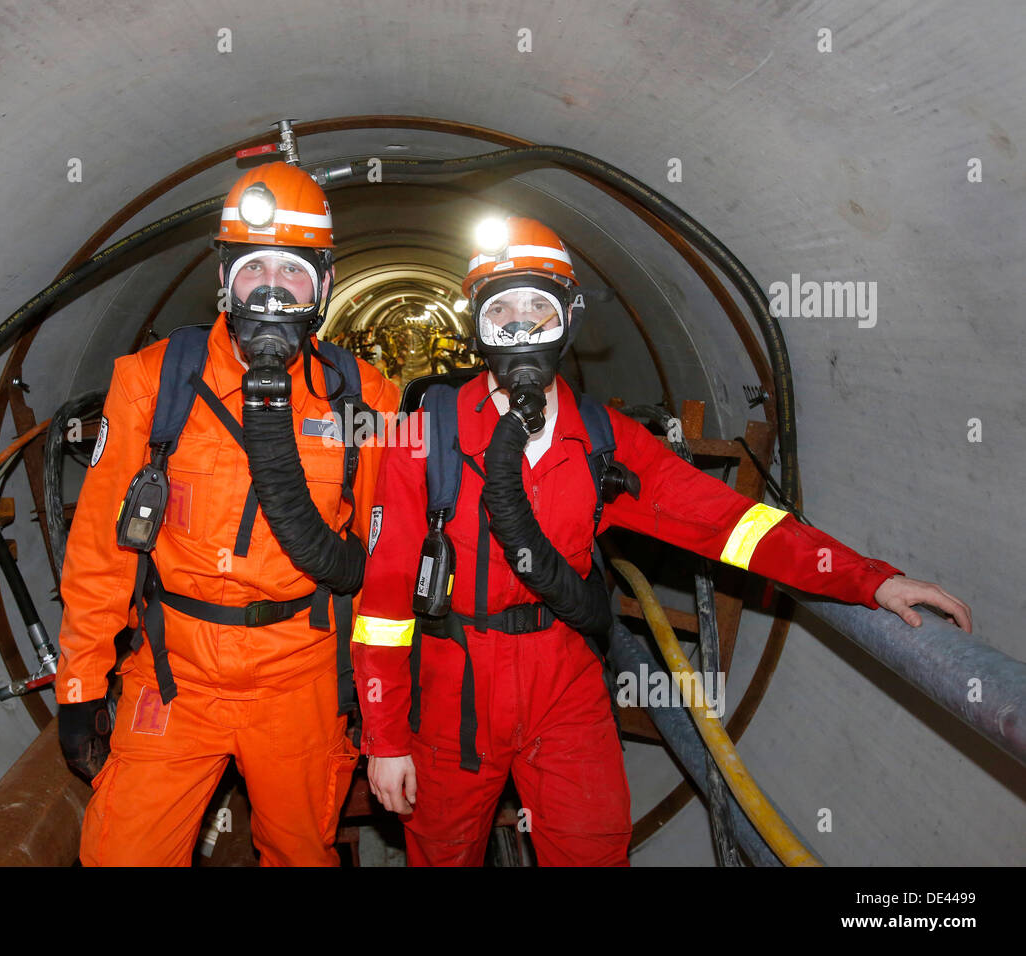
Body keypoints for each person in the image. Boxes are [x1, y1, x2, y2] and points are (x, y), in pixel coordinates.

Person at [351, 216, 972, 866]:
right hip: (455, 686)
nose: (522, 328)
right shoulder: (426, 438)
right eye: (501, 309)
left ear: (570, 319)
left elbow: (730, 523)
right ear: (477, 326)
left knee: (593, 850)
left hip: (565, 681)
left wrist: (867, 578)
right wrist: (385, 739)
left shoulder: (604, 440)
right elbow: (385, 608)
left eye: (539, 308)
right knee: (441, 854)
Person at [54, 160, 400, 866]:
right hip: (175, 674)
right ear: (223, 278)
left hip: (298, 681)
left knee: (300, 854)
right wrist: (82, 684)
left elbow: (380, 566)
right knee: (121, 857)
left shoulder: (364, 399)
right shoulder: (154, 381)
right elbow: (101, 550)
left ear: (324, 286)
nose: (272, 291)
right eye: (253, 269)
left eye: (294, 272)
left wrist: (379, 698)